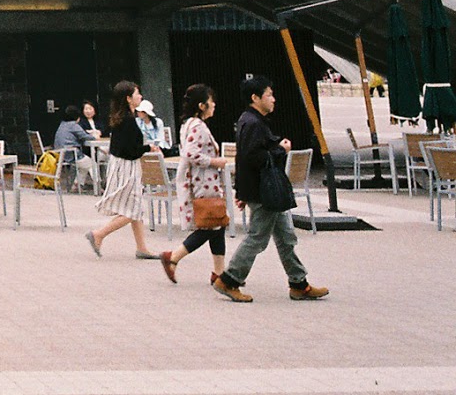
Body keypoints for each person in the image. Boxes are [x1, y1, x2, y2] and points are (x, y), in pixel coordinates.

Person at [213, 77, 329, 303]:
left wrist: (242, 192)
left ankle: (299, 283)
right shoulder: (254, 123)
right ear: (255, 98)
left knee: (286, 236)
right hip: (265, 192)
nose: (273, 99)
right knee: (258, 238)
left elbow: (243, 159)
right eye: (269, 95)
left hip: (263, 191)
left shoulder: (251, 121)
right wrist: (280, 150)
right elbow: (253, 158)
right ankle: (229, 279)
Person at [158, 84, 231, 286]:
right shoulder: (198, 126)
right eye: (211, 100)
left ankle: (218, 272)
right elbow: (190, 153)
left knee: (217, 224)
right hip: (203, 183)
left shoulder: (189, 124)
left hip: (201, 181)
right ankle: (173, 257)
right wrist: (215, 161)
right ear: (201, 105)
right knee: (211, 225)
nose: (214, 104)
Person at [83, 80, 158, 260]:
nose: (140, 96)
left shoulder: (121, 118)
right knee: (132, 209)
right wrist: (148, 149)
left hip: (119, 164)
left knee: (136, 206)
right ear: (128, 98)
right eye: (137, 94)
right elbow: (131, 151)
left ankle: (142, 247)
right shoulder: (129, 121)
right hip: (127, 167)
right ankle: (99, 234)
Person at [53, 105, 98, 191]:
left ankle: (77, 185)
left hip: (61, 154)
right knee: (92, 164)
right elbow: (85, 136)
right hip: (71, 154)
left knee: (84, 164)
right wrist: (94, 135)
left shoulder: (62, 124)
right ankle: (98, 186)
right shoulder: (73, 125)